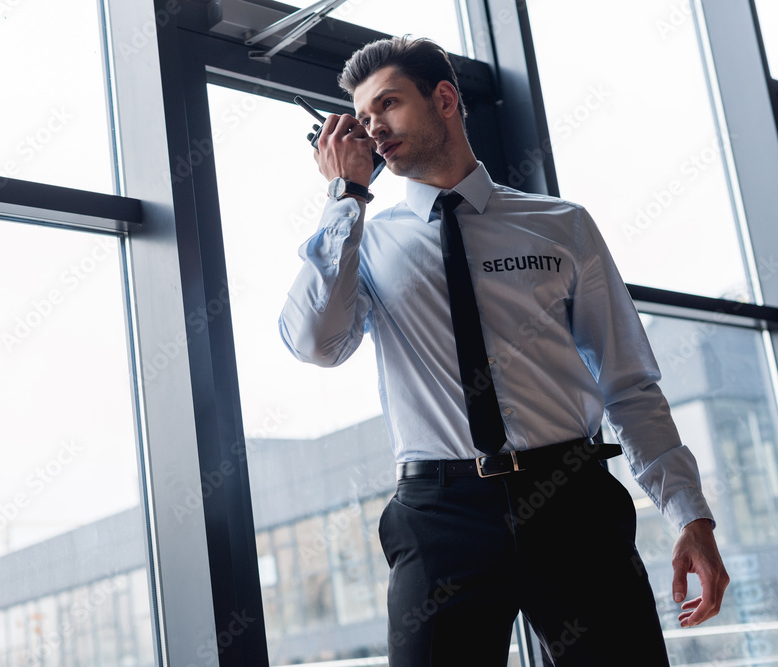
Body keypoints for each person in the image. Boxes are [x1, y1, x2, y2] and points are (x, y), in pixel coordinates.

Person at [278, 36, 729, 665]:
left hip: (572, 502)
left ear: (444, 100)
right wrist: (343, 201)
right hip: (441, 517)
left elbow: (629, 384)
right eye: (363, 114)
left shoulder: (560, 223)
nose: (374, 126)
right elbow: (315, 344)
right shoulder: (363, 242)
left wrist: (690, 513)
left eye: (389, 103)